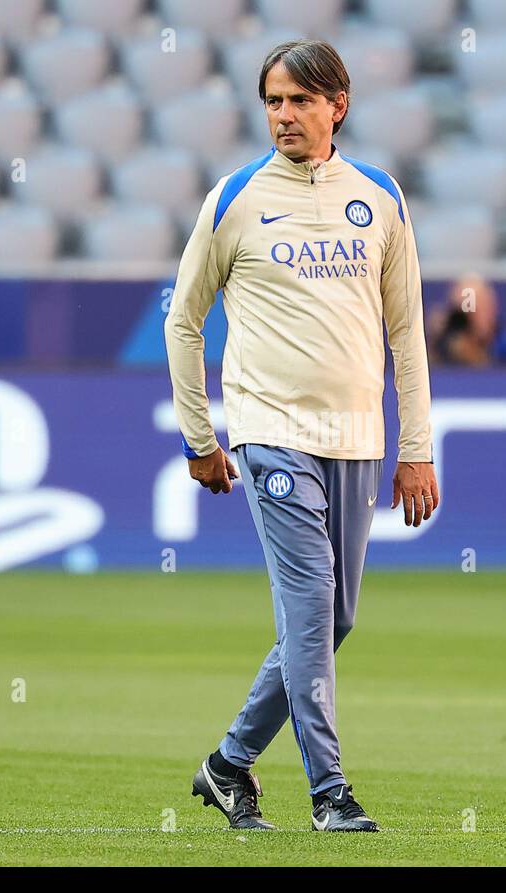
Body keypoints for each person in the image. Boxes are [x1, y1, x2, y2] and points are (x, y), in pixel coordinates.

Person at [164, 39, 439, 832]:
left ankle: (226, 765)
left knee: (335, 620)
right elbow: (183, 322)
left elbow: (407, 333)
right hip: (269, 431)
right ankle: (330, 795)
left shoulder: (380, 197)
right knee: (313, 615)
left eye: (300, 101)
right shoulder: (236, 198)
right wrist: (200, 437)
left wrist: (416, 446)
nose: (284, 116)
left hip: (357, 437)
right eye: (273, 102)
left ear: (337, 105)